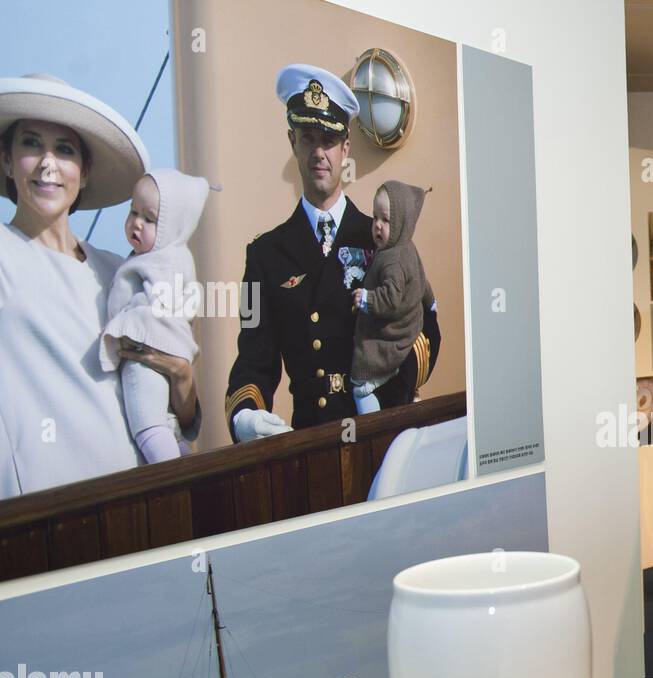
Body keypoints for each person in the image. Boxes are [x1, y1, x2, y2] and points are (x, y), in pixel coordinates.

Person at [0, 74, 199, 498]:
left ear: (85, 171)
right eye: (31, 143)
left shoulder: (119, 271)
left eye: (65, 149)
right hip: (44, 517)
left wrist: (183, 378)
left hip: (142, 504)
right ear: (5, 160)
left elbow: (176, 411)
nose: (47, 163)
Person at [225, 65, 440, 442]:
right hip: (313, 447)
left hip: (386, 435)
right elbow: (253, 361)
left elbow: (425, 332)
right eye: (308, 138)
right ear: (292, 142)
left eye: (328, 139)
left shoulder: (383, 237)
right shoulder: (264, 256)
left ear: (345, 149)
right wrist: (245, 417)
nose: (318, 152)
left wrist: (389, 392)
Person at [99, 169, 213, 463]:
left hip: (143, 356)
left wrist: (122, 323)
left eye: (149, 219)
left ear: (171, 228)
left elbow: (129, 303)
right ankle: (185, 463)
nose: (136, 223)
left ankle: (173, 477)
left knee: (147, 428)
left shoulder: (162, 262)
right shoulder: (171, 258)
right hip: (164, 356)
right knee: (166, 426)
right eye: (133, 212)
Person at [350, 181, 435, 415]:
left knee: (360, 385)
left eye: (386, 220)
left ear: (401, 222)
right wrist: (432, 303)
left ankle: (373, 419)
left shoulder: (392, 260)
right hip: (410, 331)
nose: (377, 225)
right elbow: (422, 281)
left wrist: (366, 299)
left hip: (390, 340)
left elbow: (391, 298)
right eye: (375, 217)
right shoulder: (406, 247)